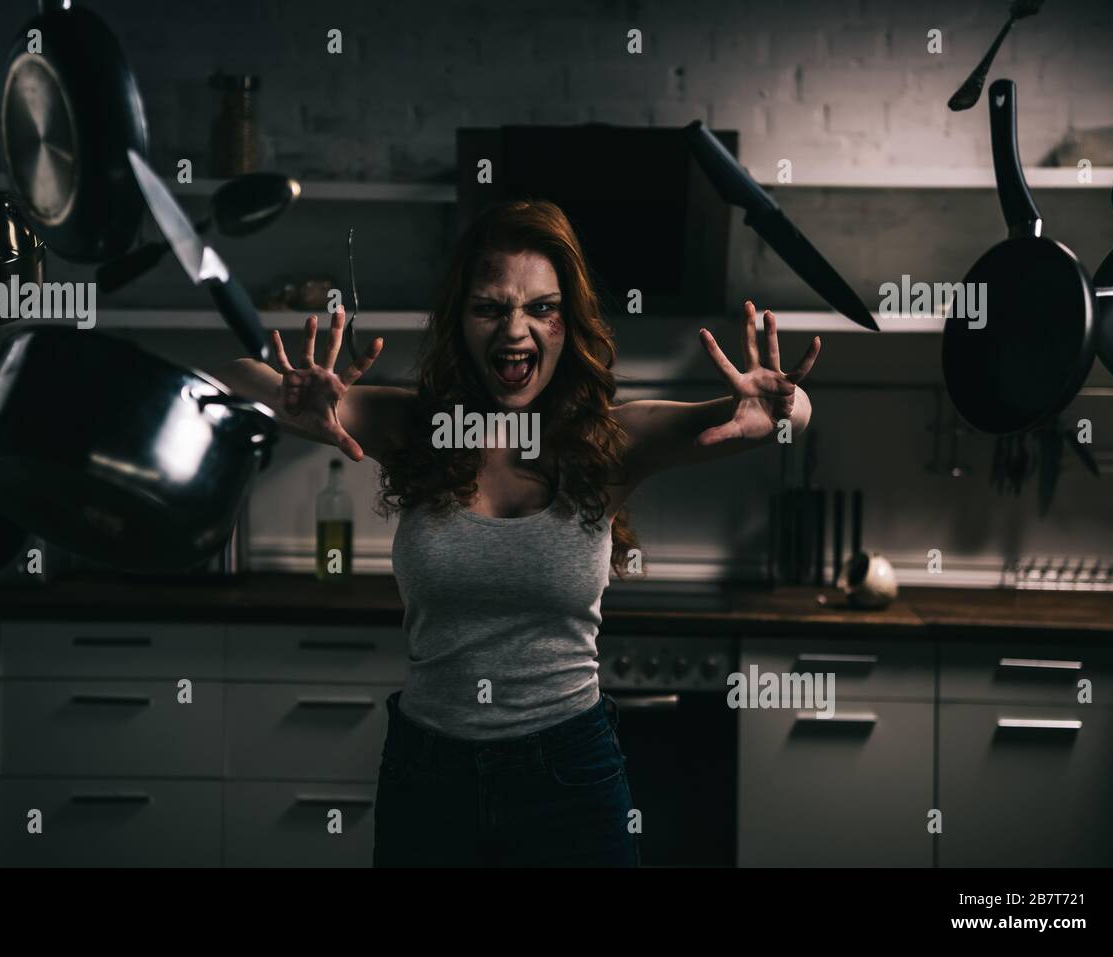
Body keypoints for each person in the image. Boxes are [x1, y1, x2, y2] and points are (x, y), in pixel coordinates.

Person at [217, 199, 820, 866]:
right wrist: (291, 396)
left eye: (542, 307)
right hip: (429, 778)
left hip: (569, 778)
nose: (516, 329)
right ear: (460, 320)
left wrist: (782, 405)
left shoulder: (611, 440)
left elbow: (788, 410)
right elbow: (238, 376)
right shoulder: (413, 427)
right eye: (490, 307)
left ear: (569, 322)